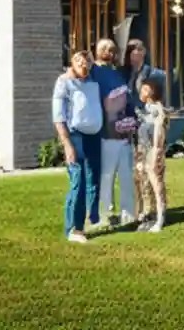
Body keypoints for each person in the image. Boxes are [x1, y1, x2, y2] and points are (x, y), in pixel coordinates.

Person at [52, 50, 103, 243]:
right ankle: (73, 228)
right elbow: (58, 117)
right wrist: (67, 145)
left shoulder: (92, 81)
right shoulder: (64, 83)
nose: (84, 65)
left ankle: (92, 218)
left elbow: (105, 61)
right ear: (72, 64)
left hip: (94, 137)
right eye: (79, 62)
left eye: (87, 62)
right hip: (76, 137)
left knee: (93, 180)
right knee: (79, 182)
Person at [91, 38, 135, 226]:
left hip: (124, 132)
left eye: (111, 49)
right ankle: (105, 213)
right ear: (97, 50)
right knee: (106, 175)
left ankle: (128, 213)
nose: (108, 52)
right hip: (106, 133)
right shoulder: (94, 72)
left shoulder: (117, 73)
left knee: (126, 174)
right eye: (104, 48)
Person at [135, 69, 170, 233]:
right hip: (143, 152)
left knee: (157, 184)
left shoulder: (158, 110)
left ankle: (160, 218)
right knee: (144, 184)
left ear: (149, 91)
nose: (140, 92)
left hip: (153, 153)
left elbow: (159, 130)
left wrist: (156, 151)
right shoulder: (146, 109)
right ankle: (147, 215)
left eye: (143, 89)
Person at [123, 39, 153, 113]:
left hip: (145, 114)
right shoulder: (121, 73)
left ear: (144, 52)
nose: (135, 52)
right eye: (131, 50)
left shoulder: (153, 74)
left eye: (139, 49)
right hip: (125, 115)